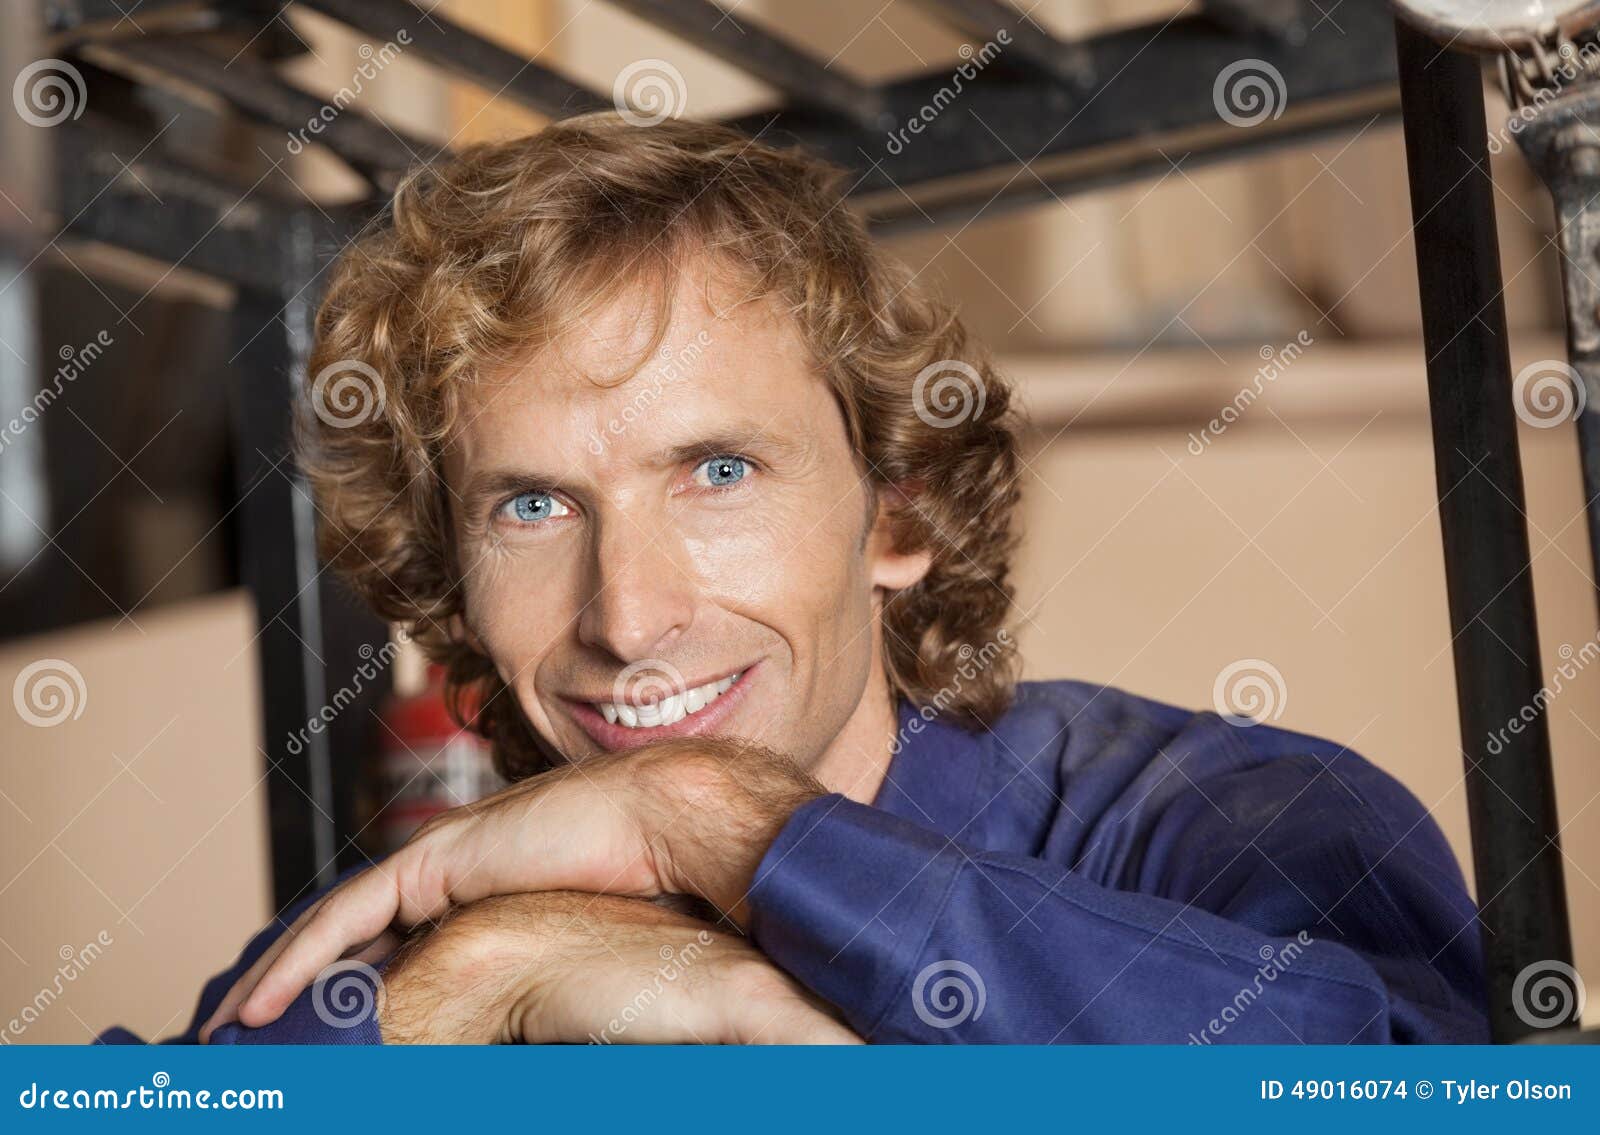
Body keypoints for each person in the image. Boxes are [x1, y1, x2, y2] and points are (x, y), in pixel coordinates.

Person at [102, 112, 1488, 1045]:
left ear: (900, 514)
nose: (627, 615)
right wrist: (465, 986)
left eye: (718, 471)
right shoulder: (434, 917)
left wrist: (722, 825)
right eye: (532, 505)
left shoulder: (1232, 821)